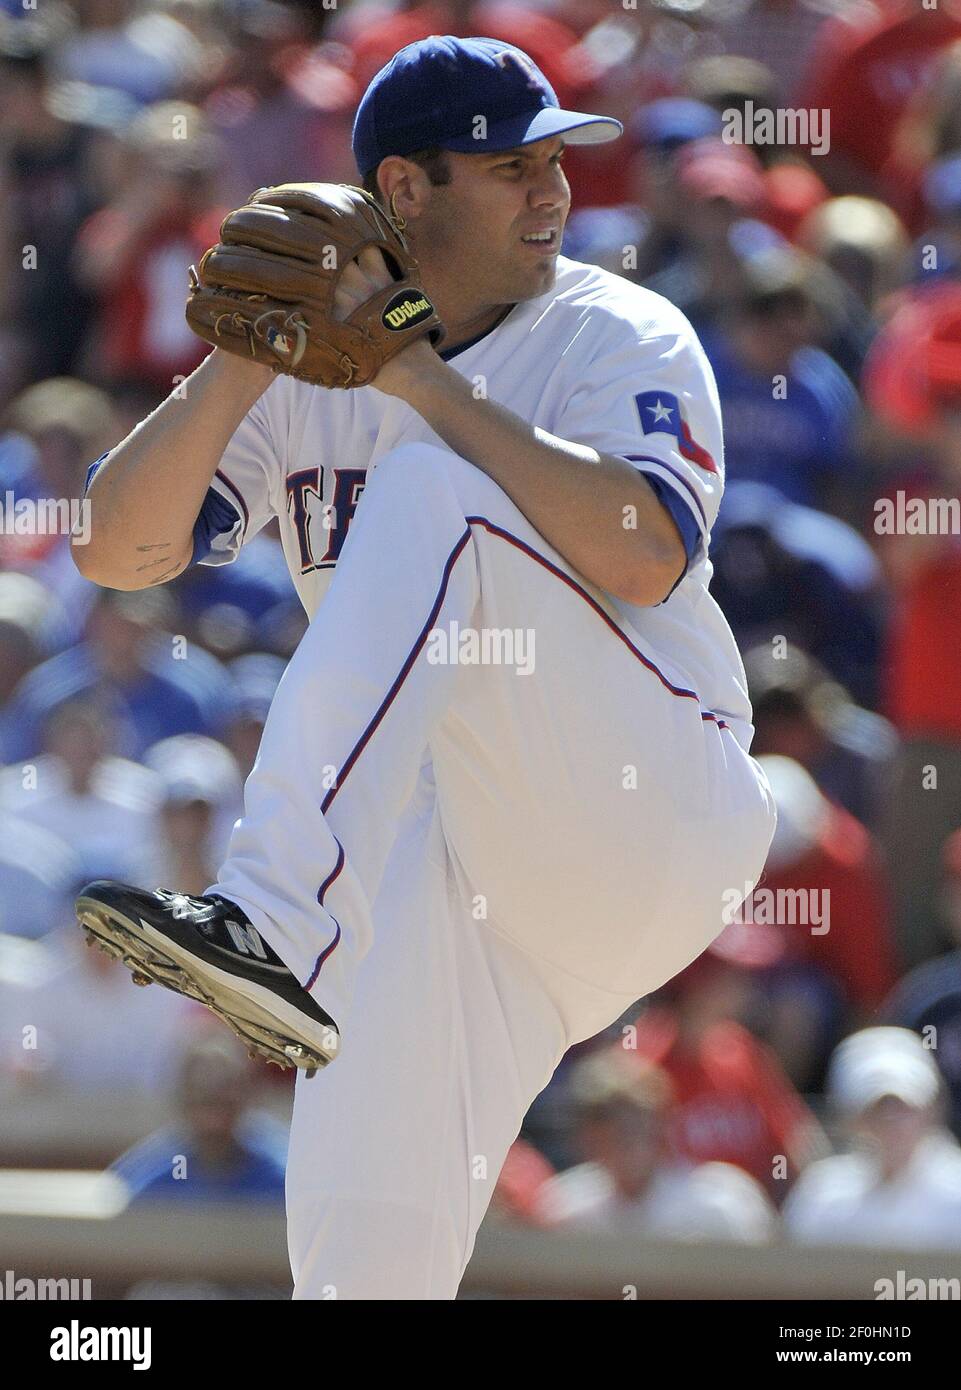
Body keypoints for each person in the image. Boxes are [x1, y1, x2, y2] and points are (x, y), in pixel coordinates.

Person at [72, 36, 776, 1300]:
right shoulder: (310, 376)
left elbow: (644, 552)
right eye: (510, 165)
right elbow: (118, 551)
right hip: (451, 875)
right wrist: (245, 358)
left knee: (434, 488)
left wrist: (415, 381)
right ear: (404, 190)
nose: (551, 189)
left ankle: (274, 919)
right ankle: (284, 932)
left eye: (556, 158)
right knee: (358, 1262)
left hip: (640, 793)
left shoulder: (616, 327)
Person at [783, 1026, 961, 1249]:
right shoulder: (820, 1196)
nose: (892, 1121)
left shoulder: (957, 1193)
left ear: (932, 1109)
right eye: (876, 1108)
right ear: (848, 1119)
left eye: (904, 1107)